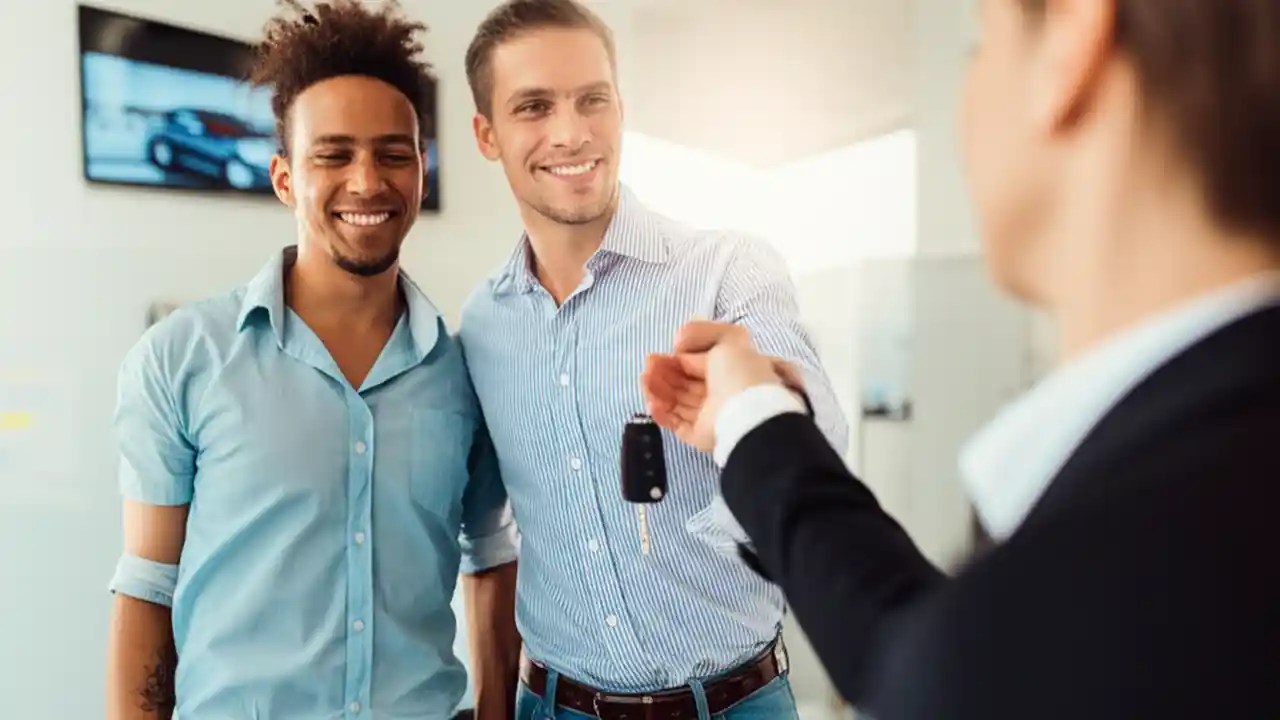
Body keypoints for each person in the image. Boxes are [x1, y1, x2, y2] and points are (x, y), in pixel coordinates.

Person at [643, 0, 1280, 717]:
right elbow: (932, 648)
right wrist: (755, 419)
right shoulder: (1181, 547)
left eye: (981, 44)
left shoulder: (1109, 583)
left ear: (1070, 41)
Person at [105, 2, 519, 718]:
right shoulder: (182, 359)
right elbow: (147, 589)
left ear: (420, 172)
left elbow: (490, 557)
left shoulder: (466, 373)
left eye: (393, 153)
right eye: (333, 154)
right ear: (284, 177)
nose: (367, 181)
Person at [457, 1, 848, 717]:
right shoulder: (482, 327)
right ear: (487, 135)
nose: (570, 132)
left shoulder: (727, 272)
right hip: (551, 706)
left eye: (592, 100)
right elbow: (486, 533)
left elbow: (819, 441)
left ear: (620, 109)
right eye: (534, 107)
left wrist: (761, 412)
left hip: (735, 704)